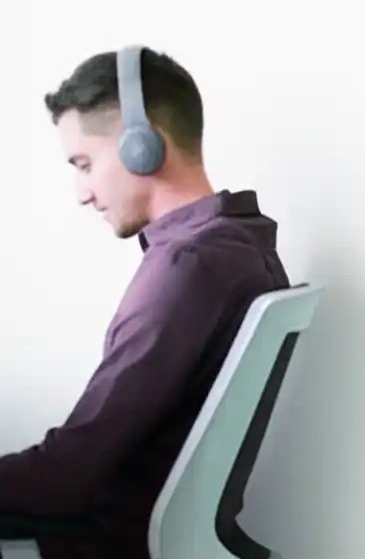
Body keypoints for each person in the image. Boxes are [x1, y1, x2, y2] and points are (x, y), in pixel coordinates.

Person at [0, 47, 289, 558]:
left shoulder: (188, 268)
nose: (81, 192)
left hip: (105, 540)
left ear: (142, 146)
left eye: (85, 163)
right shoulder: (244, 243)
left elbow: (65, 479)